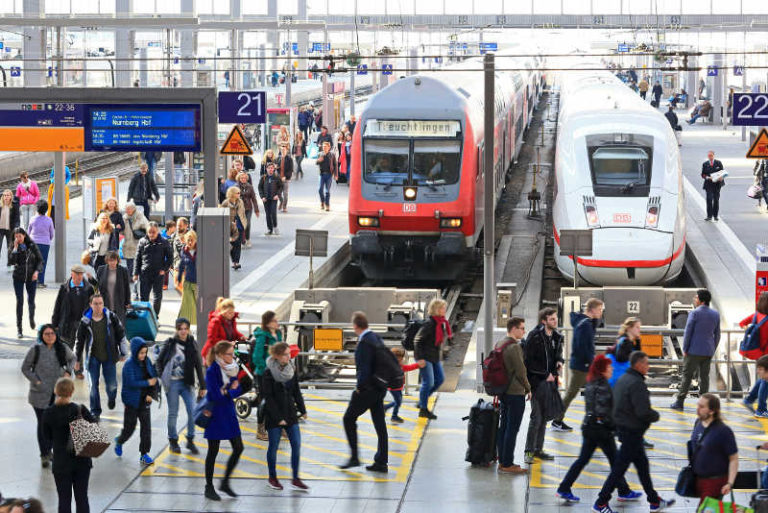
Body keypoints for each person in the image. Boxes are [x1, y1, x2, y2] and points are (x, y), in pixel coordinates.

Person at [592, 352, 675, 513]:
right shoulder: (637, 383)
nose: (648, 366)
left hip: (626, 430)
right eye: (646, 363)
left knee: (643, 467)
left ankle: (654, 500)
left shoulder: (623, 379)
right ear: (638, 365)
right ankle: (600, 502)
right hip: (632, 432)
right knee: (618, 470)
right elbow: (643, 412)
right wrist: (655, 415)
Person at [556, 355, 641, 504]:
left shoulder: (591, 383)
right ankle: (623, 491)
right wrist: (614, 427)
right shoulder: (603, 386)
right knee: (615, 461)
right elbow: (602, 412)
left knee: (584, 460)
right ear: (602, 370)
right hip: (601, 430)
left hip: (589, 427)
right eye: (609, 367)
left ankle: (564, 487)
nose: (612, 369)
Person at [340, 311, 389, 473]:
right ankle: (381, 462)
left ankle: (354, 457)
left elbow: (364, 368)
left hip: (368, 389)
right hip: (380, 388)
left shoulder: (363, 343)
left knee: (348, 419)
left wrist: (359, 387)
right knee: (380, 425)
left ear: (355, 326)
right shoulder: (376, 338)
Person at [21, 324, 76, 468]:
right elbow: (25, 368)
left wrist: (68, 372)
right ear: (42, 336)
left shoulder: (62, 348)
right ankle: (45, 454)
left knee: (53, 423)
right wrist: (37, 381)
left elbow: (73, 358)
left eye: (52, 333)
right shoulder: (36, 350)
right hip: (39, 394)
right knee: (43, 423)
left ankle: (51, 450)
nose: (50, 336)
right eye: (46, 334)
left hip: (57, 393)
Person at [43, 378, 96, 513]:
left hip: (61, 463)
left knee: (64, 500)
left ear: (56, 391)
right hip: (82, 461)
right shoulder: (80, 410)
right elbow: (94, 428)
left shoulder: (48, 413)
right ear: (71, 392)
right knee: (82, 497)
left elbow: (46, 437)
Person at [262, 342, 310, 491]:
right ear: (276, 356)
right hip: (273, 415)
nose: (289, 357)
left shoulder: (291, 370)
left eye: (289, 354)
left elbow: (296, 391)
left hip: (290, 412)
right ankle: (272, 477)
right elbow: (267, 398)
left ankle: (295, 478)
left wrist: (302, 409)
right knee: (274, 446)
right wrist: (278, 418)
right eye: (285, 354)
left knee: (296, 444)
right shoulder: (268, 373)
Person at [156, 318, 206, 455]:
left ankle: (190, 440)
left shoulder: (192, 344)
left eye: (185, 328)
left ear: (189, 329)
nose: (183, 331)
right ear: (176, 330)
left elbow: (198, 365)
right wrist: (162, 377)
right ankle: (173, 440)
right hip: (172, 383)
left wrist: (203, 386)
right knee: (173, 413)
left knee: (192, 411)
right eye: (180, 328)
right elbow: (159, 361)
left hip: (187, 383)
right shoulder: (170, 343)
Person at [74, 293, 128, 421]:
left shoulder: (111, 317)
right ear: (90, 305)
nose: (98, 306)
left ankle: (111, 397)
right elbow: (79, 341)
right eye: (95, 304)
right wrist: (77, 360)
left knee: (111, 384)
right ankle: (95, 411)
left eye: (100, 303)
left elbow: (121, 334)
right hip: (92, 357)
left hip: (109, 356)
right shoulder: (85, 321)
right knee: (93, 385)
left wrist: (123, 352)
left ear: (103, 304)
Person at [553, 298, 604, 432]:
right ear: (592, 310)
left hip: (582, 364)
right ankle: (557, 420)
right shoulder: (585, 325)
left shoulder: (584, 322)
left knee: (591, 392)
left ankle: (594, 420)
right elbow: (581, 347)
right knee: (572, 393)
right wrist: (590, 362)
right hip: (582, 366)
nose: (601, 312)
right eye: (599, 310)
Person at [203, 341, 244, 501]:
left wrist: (228, 391)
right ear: (220, 354)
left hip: (228, 413)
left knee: (239, 447)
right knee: (213, 451)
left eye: (233, 353)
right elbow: (215, 395)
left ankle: (225, 482)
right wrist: (229, 390)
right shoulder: (212, 370)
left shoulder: (232, 368)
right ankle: (209, 486)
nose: (232, 356)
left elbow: (238, 389)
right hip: (215, 414)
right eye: (229, 354)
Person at [523, 307, 563, 463]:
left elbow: (557, 354)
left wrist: (559, 361)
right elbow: (529, 362)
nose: (555, 321)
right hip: (537, 382)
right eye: (552, 319)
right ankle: (528, 452)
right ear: (544, 321)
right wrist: (545, 375)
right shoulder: (535, 337)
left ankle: (538, 450)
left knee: (544, 417)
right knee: (536, 417)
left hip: (550, 382)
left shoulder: (556, 336)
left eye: (555, 318)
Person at [671, 289, 721, 410]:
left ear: (701, 300)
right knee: (704, 377)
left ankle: (679, 402)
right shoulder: (715, 314)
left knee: (687, 376)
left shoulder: (694, 313)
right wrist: (712, 348)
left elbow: (688, 332)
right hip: (707, 351)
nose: (694, 299)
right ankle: (704, 404)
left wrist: (685, 348)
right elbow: (717, 334)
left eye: (696, 297)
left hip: (693, 350)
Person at [114, 337, 158, 467]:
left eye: (145, 352)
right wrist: (147, 383)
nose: (143, 355)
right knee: (130, 428)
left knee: (146, 428)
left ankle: (144, 454)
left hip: (144, 401)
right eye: (141, 353)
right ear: (134, 351)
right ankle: (120, 440)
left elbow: (153, 377)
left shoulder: (147, 362)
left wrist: (151, 394)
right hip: (132, 401)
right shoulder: (128, 365)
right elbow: (131, 383)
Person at [496, 317, 531, 474]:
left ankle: (502, 460)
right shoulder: (514, 347)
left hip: (503, 391)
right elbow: (521, 371)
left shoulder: (500, 343)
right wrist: (528, 388)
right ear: (514, 329)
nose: (524, 331)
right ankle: (508, 463)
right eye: (522, 328)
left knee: (503, 427)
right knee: (512, 429)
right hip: (515, 392)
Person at [689, 393, 738, 503]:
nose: (698, 409)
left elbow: (734, 458)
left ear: (712, 411)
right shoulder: (698, 424)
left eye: (702, 407)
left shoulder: (723, 431)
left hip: (714, 482)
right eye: (698, 405)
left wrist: (730, 483)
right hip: (699, 480)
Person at [414, 298, 452, 419]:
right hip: (425, 357)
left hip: (434, 356)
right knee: (428, 382)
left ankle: (422, 401)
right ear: (436, 309)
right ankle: (423, 409)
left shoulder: (440, 323)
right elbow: (417, 340)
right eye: (442, 308)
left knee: (440, 380)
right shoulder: (430, 324)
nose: (444, 310)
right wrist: (420, 358)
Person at [252, 310, 283, 440]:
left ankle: (279, 427)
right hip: (265, 374)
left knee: (280, 399)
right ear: (269, 323)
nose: (278, 323)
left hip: (277, 372)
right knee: (265, 401)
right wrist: (266, 369)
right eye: (275, 321)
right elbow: (257, 357)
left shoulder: (278, 334)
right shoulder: (262, 337)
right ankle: (260, 429)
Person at [133, 222, 173, 317]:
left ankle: (155, 316)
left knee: (157, 297)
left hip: (158, 273)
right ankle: (144, 316)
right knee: (144, 297)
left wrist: (164, 269)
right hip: (145, 273)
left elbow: (170, 258)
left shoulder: (164, 242)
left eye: (153, 232)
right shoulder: (142, 241)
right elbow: (137, 258)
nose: (151, 234)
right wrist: (135, 273)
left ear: (157, 231)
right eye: (149, 232)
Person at [52, 265, 95, 354]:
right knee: (67, 349)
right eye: (77, 274)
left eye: (81, 274)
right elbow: (58, 306)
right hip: (68, 323)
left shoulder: (88, 289)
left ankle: (79, 367)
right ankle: (67, 367)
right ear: (72, 275)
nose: (80, 277)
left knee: (81, 350)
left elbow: (95, 304)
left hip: (83, 323)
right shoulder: (64, 288)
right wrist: (54, 324)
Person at [9, 227, 43, 339]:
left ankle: (31, 318)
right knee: (20, 301)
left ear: (24, 235)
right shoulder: (13, 247)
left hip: (31, 277)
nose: (18, 238)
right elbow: (11, 262)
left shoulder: (32, 246)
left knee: (31, 301)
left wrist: (37, 272)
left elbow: (40, 260)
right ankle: (19, 328)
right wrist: (14, 248)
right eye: (16, 236)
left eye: (20, 236)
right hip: (18, 277)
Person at [741, 292, 768, 416]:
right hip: (766, 354)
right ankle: (761, 409)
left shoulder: (756, 315)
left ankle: (749, 400)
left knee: (763, 380)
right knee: (765, 381)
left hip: (758, 353)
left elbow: (742, 323)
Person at [384, 347, 424, 423]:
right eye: (398, 358)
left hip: (398, 387)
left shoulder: (400, 366)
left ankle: (386, 408)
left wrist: (417, 365)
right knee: (398, 401)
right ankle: (393, 416)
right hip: (393, 388)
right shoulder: (390, 367)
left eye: (401, 358)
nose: (401, 360)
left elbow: (408, 368)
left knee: (398, 401)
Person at [202, 297, 245, 361]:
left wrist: (241, 337)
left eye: (233, 312)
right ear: (224, 313)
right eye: (230, 313)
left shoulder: (231, 321)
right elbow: (212, 339)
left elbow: (234, 333)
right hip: (213, 354)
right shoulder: (215, 321)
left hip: (224, 352)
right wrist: (227, 343)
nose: (232, 315)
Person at [96, 251, 131, 326]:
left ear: (117, 260)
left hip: (119, 301)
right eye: (110, 260)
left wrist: (128, 301)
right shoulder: (101, 270)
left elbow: (126, 287)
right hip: (105, 300)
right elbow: (97, 285)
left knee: (119, 325)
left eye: (114, 260)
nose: (112, 262)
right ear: (107, 261)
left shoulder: (123, 270)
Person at [27, 200, 54, 288]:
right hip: (45, 244)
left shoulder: (32, 219)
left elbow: (28, 232)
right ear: (46, 210)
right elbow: (51, 234)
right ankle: (40, 282)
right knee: (42, 263)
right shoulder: (49, 220)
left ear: (37, 209)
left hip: (33, 243)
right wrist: (47, 239)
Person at [219, 186, 247, 269]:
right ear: (232, 194)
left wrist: (244, 222)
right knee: (232, 244)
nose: (239, 194)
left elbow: (243, 212)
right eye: (237, 193)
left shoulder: (240, 201)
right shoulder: (225, 203)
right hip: (229, 226)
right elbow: (221, 214)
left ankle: (236, 262)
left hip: (239, 225)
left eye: (239, 193)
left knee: (238, 244)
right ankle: (233, 261)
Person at [122, 201, 149, 281]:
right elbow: (122, 230)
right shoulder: (124, 218)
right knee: (129, 261)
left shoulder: (140, 216)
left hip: (138, 242)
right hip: (128, 243)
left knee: (137, 260)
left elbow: (147, 227)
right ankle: (130, 276)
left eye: (130, 209)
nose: (128, 210)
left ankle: (136, 275)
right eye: (127, 209)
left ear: (134, 209)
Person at [176, 230, 198, 323]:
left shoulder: (201, 250)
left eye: (191, 240)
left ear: (195, 240)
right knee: (187, 304)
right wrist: (179, 278)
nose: (189, 242)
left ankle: (198, 323)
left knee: (198, 305)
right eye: (188, 240)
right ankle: (184, 323)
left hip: (199, 283)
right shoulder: (184, 251)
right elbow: (181, 265)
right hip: (188, 282)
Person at [258, 162, 284, 236]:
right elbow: (260, 187)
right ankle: (269, 229)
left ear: (274, 169)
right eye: (269, 168)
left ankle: (275, 227)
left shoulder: (276, 177)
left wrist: (278, 195)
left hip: (273, 198)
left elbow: (281, 186)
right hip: (266, 199)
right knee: (268, 214)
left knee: (273, 213)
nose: (270, 169)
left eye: (272, 168)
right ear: (266, 169)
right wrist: (262, 196)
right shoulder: (263, 177)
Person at [701, 150, 725, 222]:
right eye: (709, 156)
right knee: (709, 199)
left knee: (716, 200)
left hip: (717, 184)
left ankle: (715, 216)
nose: (710, 157)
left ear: (714, 156)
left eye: (711, 155)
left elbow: (722, 172)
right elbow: (703, 174)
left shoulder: (718, 163)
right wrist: (708, 178)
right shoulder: (705, 164)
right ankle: (709, 216)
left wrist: (721, 177)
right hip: (709, 184)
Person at [237, 172, 258, 248]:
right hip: (239, 209)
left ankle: (247, 239)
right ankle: (242, 241)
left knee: (247, 224)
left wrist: (256, 210)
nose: (243, 179)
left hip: (248, 208)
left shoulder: (250, 187)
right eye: (242, 178)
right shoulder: (236, 187)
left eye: (245, 178)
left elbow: (254, 199)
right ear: (239, 179)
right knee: (240, 225)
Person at [0, 189, 20, 271]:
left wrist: (16, 227)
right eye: (4, 195)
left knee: (10, 247)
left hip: (10, 229)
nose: (6, 197)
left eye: (8, 195)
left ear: (11, 196)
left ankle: (10, 263)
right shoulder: (0, 205)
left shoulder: (14, 205)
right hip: (0, 229)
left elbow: (17, 218)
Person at [317, 141, 338, 212]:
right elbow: (316, 162)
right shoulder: (320, 154)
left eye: (325, 147)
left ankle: (327, 205)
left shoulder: (332, 155)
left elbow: (335, 165)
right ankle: (322, 202)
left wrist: (336, 175)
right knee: (320, 189)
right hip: (321, 174)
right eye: (323, 147)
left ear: (329, 147)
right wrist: (319, 161)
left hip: (329, 175)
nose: (324, 148)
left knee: (327, 191)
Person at [277, 145, 294, 212]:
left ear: (286, 151)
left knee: (285, 193)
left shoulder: (289, 159)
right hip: (278, 178)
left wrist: (286, 177)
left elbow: (291, 170)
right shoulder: (278, 158)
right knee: (278, 193)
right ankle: (281, 201)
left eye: (284, 150)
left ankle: (284, 207)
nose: (283, 151)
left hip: (285, 179)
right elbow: (275, 167)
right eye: (282, 150)